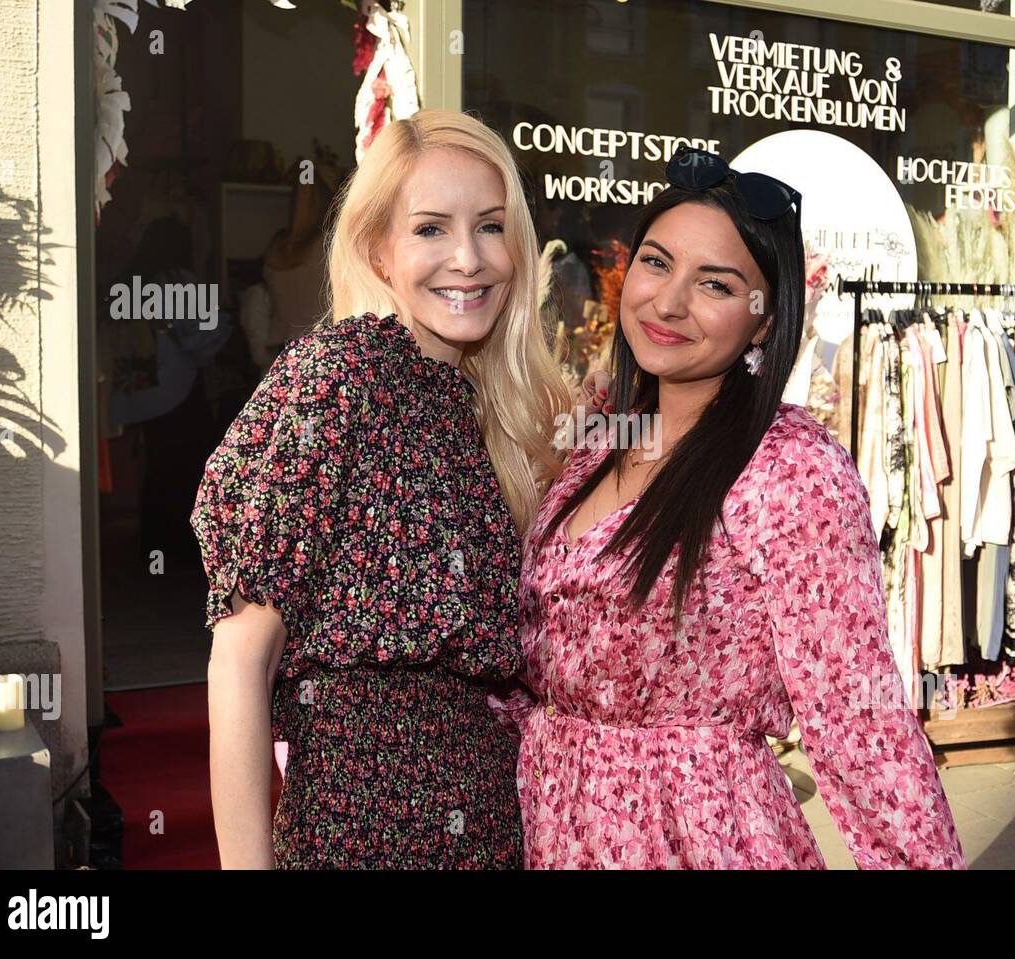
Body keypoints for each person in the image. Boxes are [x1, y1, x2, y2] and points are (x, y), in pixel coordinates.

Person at [490, 148, 966, 869]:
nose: (668, 301)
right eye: (656, 263)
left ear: (764, 322)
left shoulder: (789, 467)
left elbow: (860, 721)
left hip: (689, 838)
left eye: (715, 283)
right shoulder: (600, 434)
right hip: (550, 821)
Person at [191, 109, 569, 868]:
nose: (468, 257)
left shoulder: (485, 411)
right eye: (431, 228)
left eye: (491, 227)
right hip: (360, 836)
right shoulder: (336, 381)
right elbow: (238, 657)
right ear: (379, 249)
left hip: (489, 826)